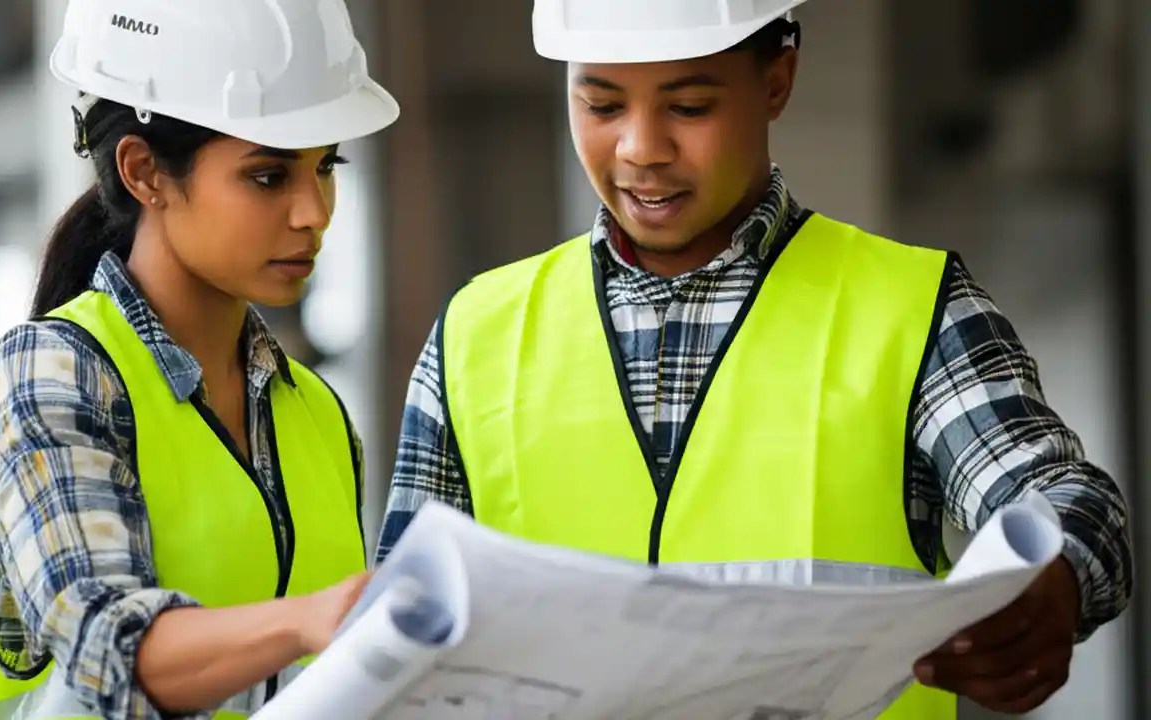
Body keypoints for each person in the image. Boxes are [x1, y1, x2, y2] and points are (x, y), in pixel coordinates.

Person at [376, 1, 1132, 717]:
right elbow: (401, 628)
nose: (641, 148)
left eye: (689, 107)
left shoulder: (913, 309)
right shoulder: (476, 332)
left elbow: (1053, 490)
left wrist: (1054, 574)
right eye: (602, 105)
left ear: (777, 81)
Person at [0, 1, 399, 718]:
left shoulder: (315, 413)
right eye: (269, 177)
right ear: (145, 171)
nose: (314, 212)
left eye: (326, 166)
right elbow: (108, 648)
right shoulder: (52, 375)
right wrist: (311, 619)